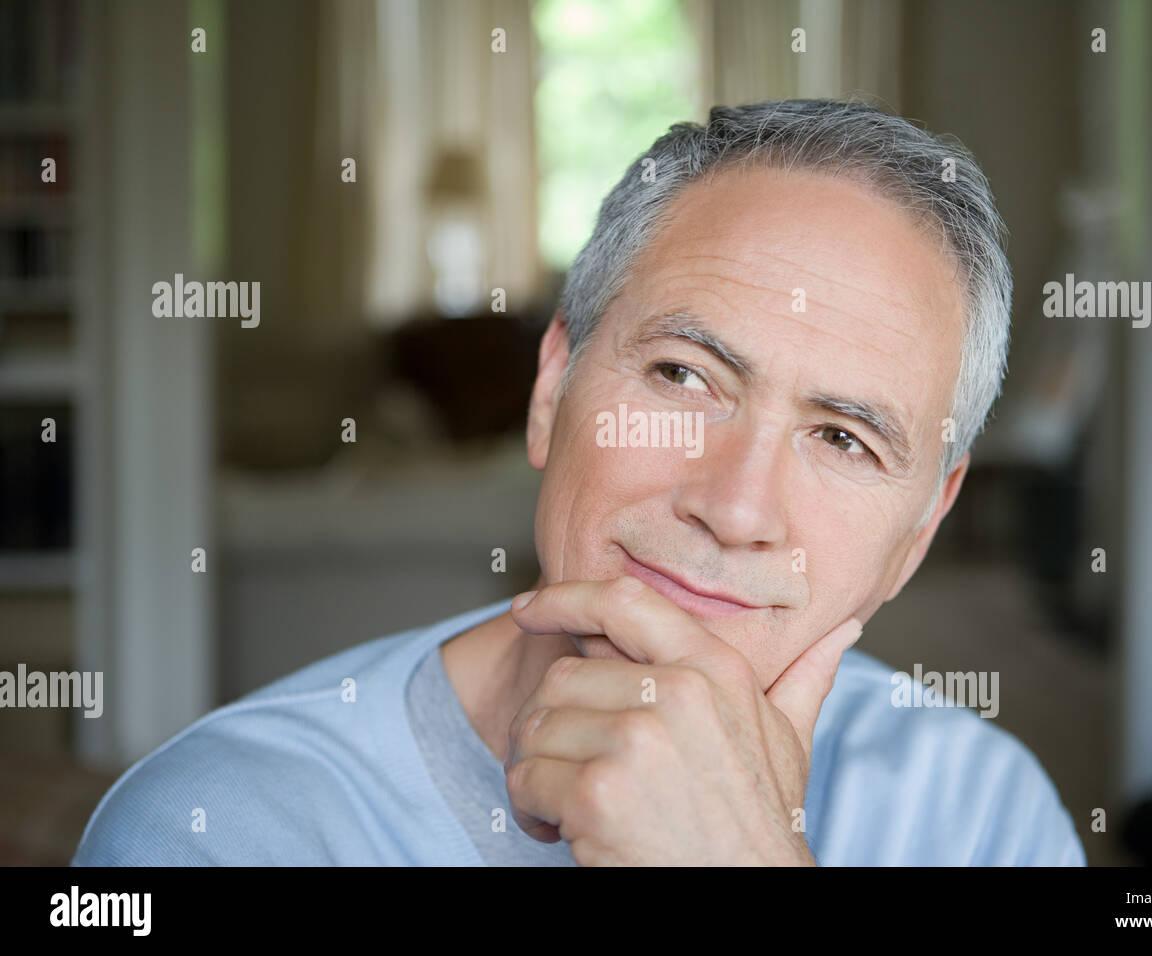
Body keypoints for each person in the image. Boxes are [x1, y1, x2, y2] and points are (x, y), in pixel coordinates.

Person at [73, 99, 1084, 866]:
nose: (733, 507)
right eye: (684, 376)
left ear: (918, 533)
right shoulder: (216, 826)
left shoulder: (983, 816)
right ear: (552, 388)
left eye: (842, 438)